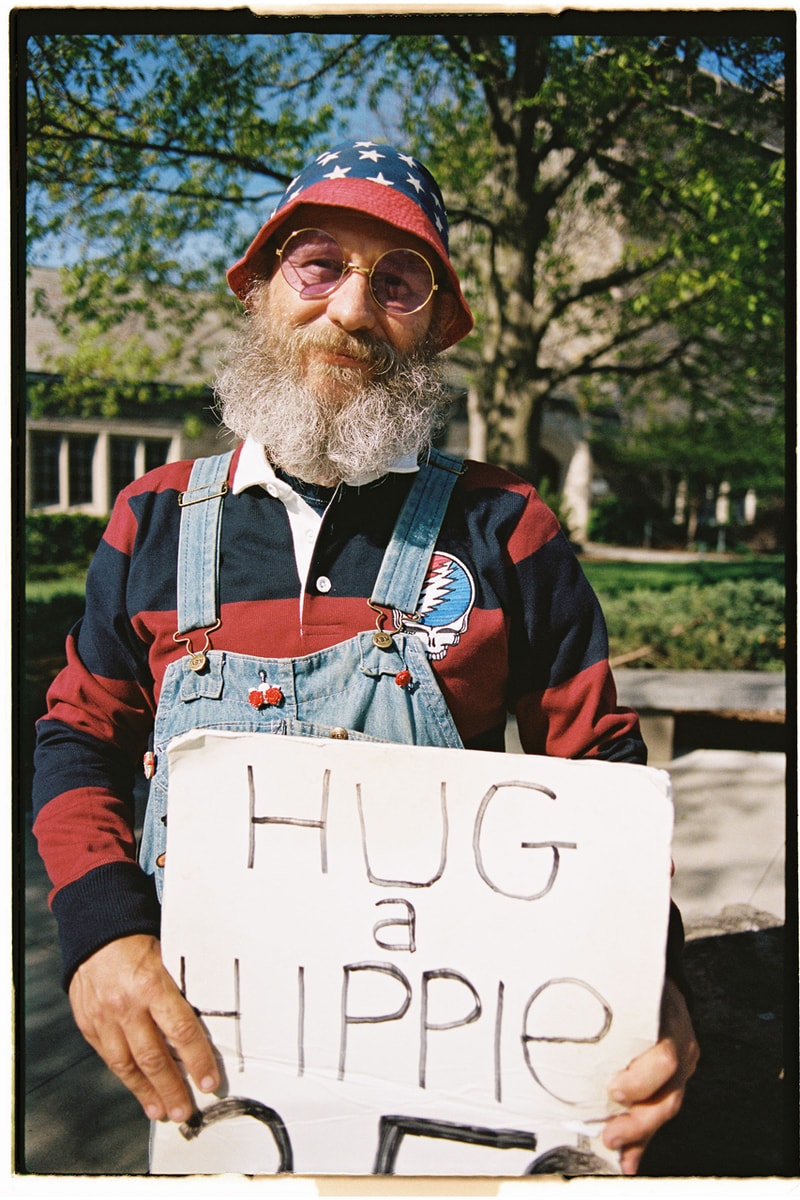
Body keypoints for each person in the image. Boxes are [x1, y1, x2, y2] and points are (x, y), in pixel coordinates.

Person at [33, 140, 698, 1175]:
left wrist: (648, 978)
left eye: (397, 282)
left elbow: (599, 771)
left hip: (470, 1076)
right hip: (216, 1078)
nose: (350, 310)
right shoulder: (150, 519)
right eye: (317, 266)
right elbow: (77, 737)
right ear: (259, 290)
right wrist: (101, 935)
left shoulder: (504, 525)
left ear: (433, 325)